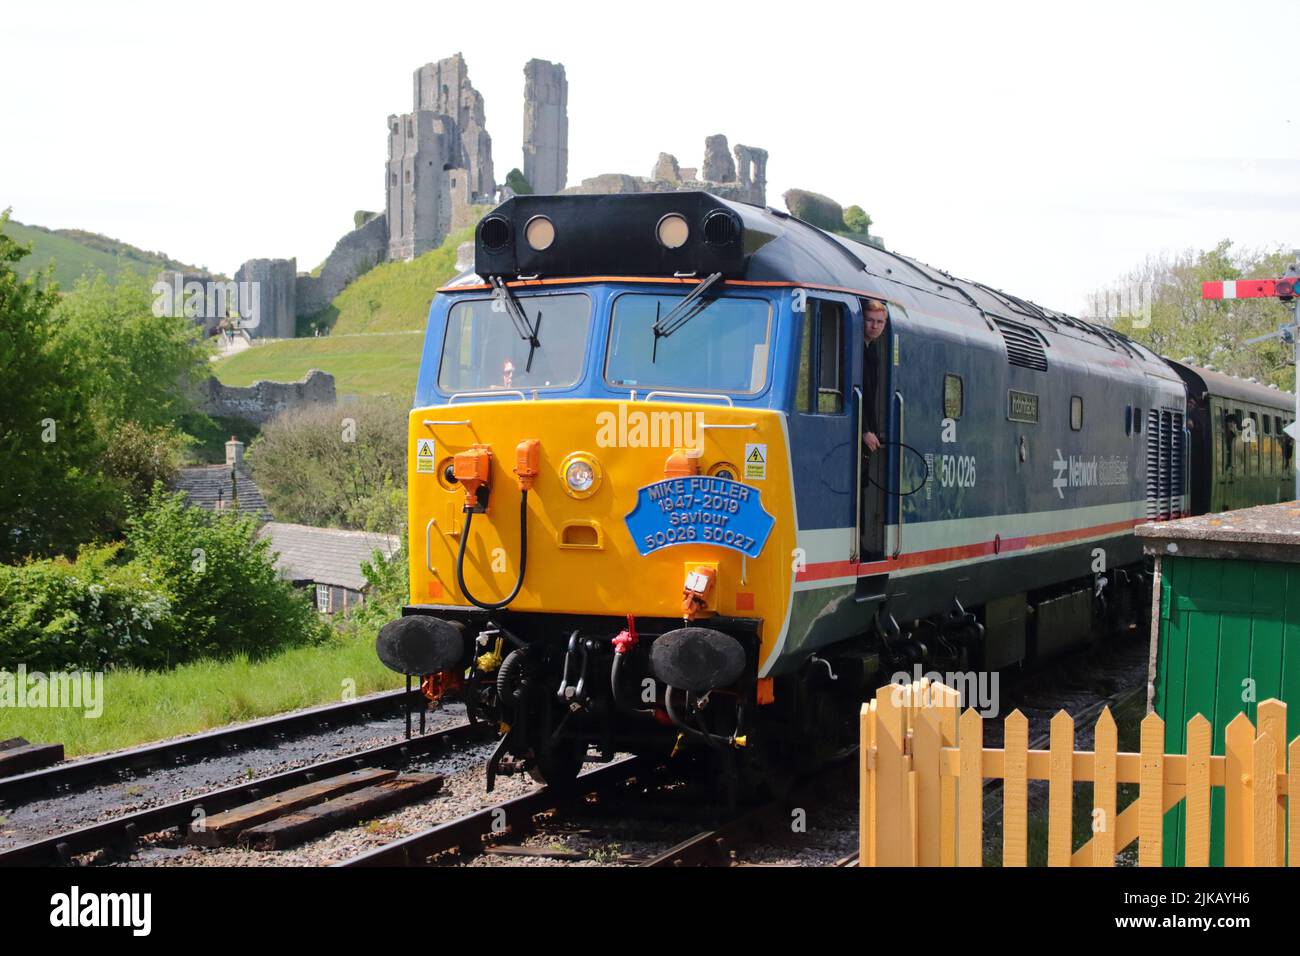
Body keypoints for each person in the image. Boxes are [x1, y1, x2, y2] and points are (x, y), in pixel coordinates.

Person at [862, 299, 888, 455]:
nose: (875, 326)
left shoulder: (872, 349)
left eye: (879, 322)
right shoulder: (857, 348)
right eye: (870, 320)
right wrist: (864, 430)